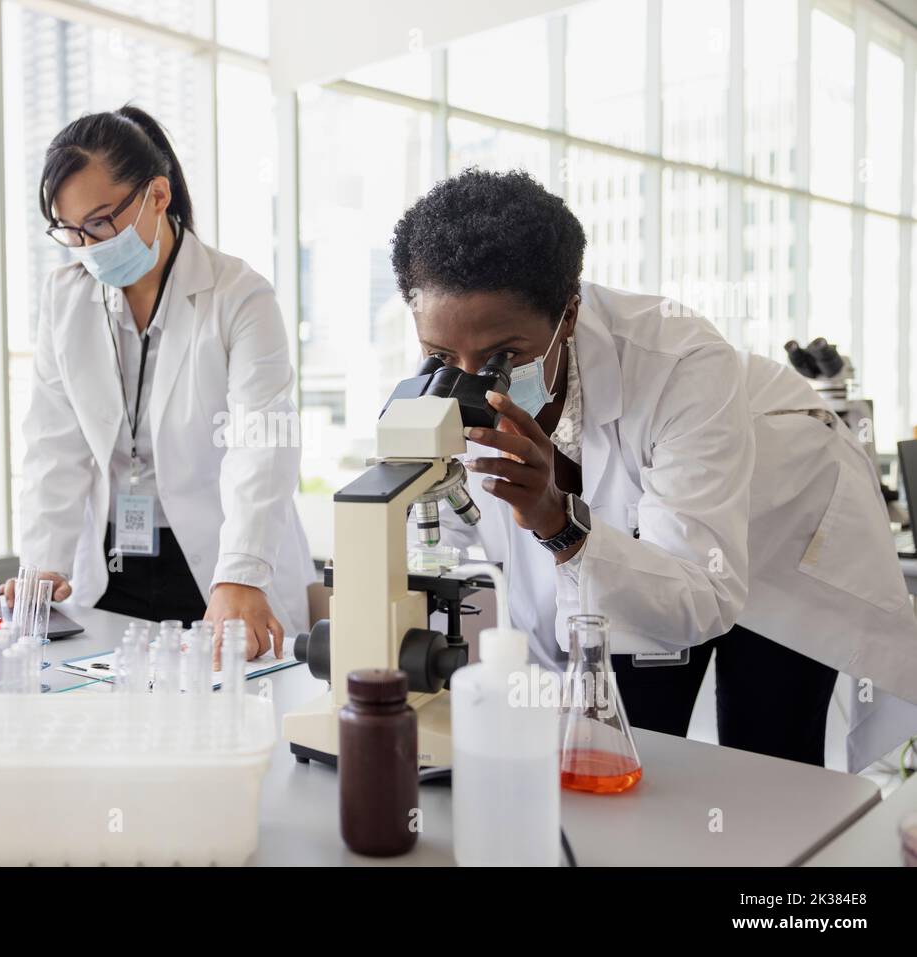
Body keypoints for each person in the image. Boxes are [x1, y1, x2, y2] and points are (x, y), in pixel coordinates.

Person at [388, 168, 917, 768]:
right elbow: (437, 537)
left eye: (505, 355)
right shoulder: (443, 379)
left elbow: (700, 593)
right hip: (648, 552)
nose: (472, 376)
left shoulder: (683, 362)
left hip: (784, 523)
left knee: (767, 751)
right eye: (441, 354)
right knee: (625, 740)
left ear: (570, 309)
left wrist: (556, 522)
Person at [9, 105, 312, 662]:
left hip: (222, 564)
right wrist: (42, 564)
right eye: (70, 231)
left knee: (232, 718)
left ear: (157, 195)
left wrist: (242, 573)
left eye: (100, 223)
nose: (89, 246)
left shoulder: (239, 295)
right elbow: (54, 443)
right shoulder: (66, 296)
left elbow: (261, 439)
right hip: (113, 566)